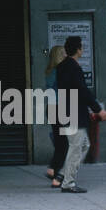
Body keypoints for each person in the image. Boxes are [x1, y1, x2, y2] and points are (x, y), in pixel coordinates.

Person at [56, 35, 106, 193]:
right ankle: (68, 183)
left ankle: (63, 174)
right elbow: (82, 91)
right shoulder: (74, 67)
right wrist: (98, 109)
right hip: (73, 113)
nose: (82, 49)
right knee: (76, 146)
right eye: (81, 47)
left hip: (65, 111)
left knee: (83, 145)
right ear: (78, 50)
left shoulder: (62, 66)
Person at [44, 45, 69, 188]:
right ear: (60, 55)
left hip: (52, 108)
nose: (67, 54)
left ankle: (53, 169)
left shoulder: (49, 71)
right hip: (61, 108)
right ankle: (57, 174)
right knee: (64, 142)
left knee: (61, 142)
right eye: (64, 53)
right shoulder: (59, 71)